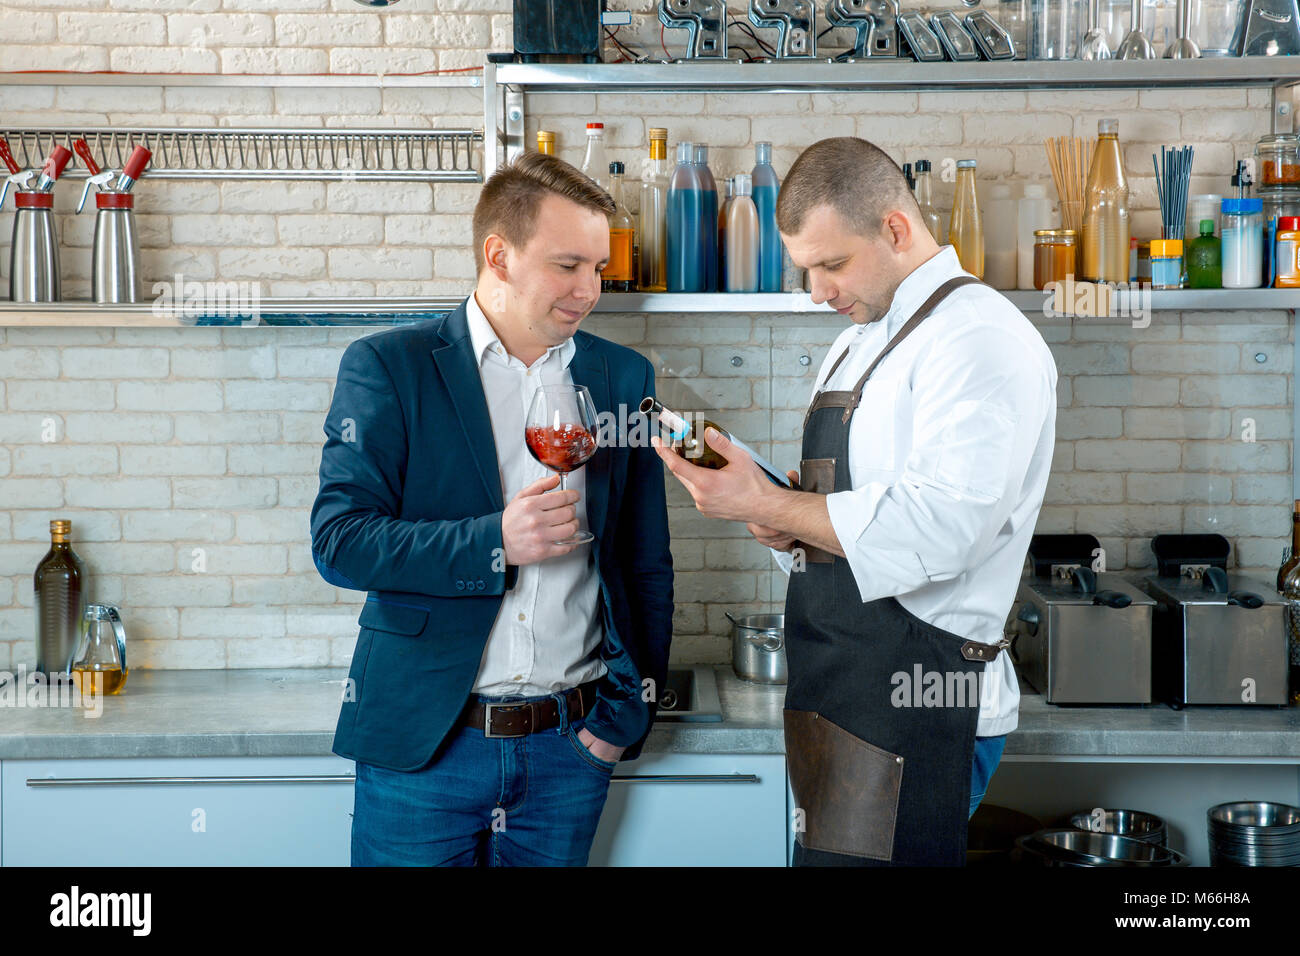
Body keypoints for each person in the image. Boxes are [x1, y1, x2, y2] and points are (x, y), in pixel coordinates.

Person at [653, 137, 1057, 866]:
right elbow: (845, 517)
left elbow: (942, 530)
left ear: (896, 229)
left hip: (920, 701)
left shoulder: (978, 339)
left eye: (831, 264)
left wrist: (775, 509)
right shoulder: (861, 340)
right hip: (839, 695)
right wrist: (775, 510)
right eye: (806, 269)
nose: (817, 292)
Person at [311, 151, 674, 866]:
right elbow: (340, 542)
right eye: (567, 265)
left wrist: (625, 719)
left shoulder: (621, 376)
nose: (589, 290)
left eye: (599, 269)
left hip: (570, 752)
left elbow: (644, 560)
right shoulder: (390, 367)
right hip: (425, 747)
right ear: (499, 256)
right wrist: (495, 542)